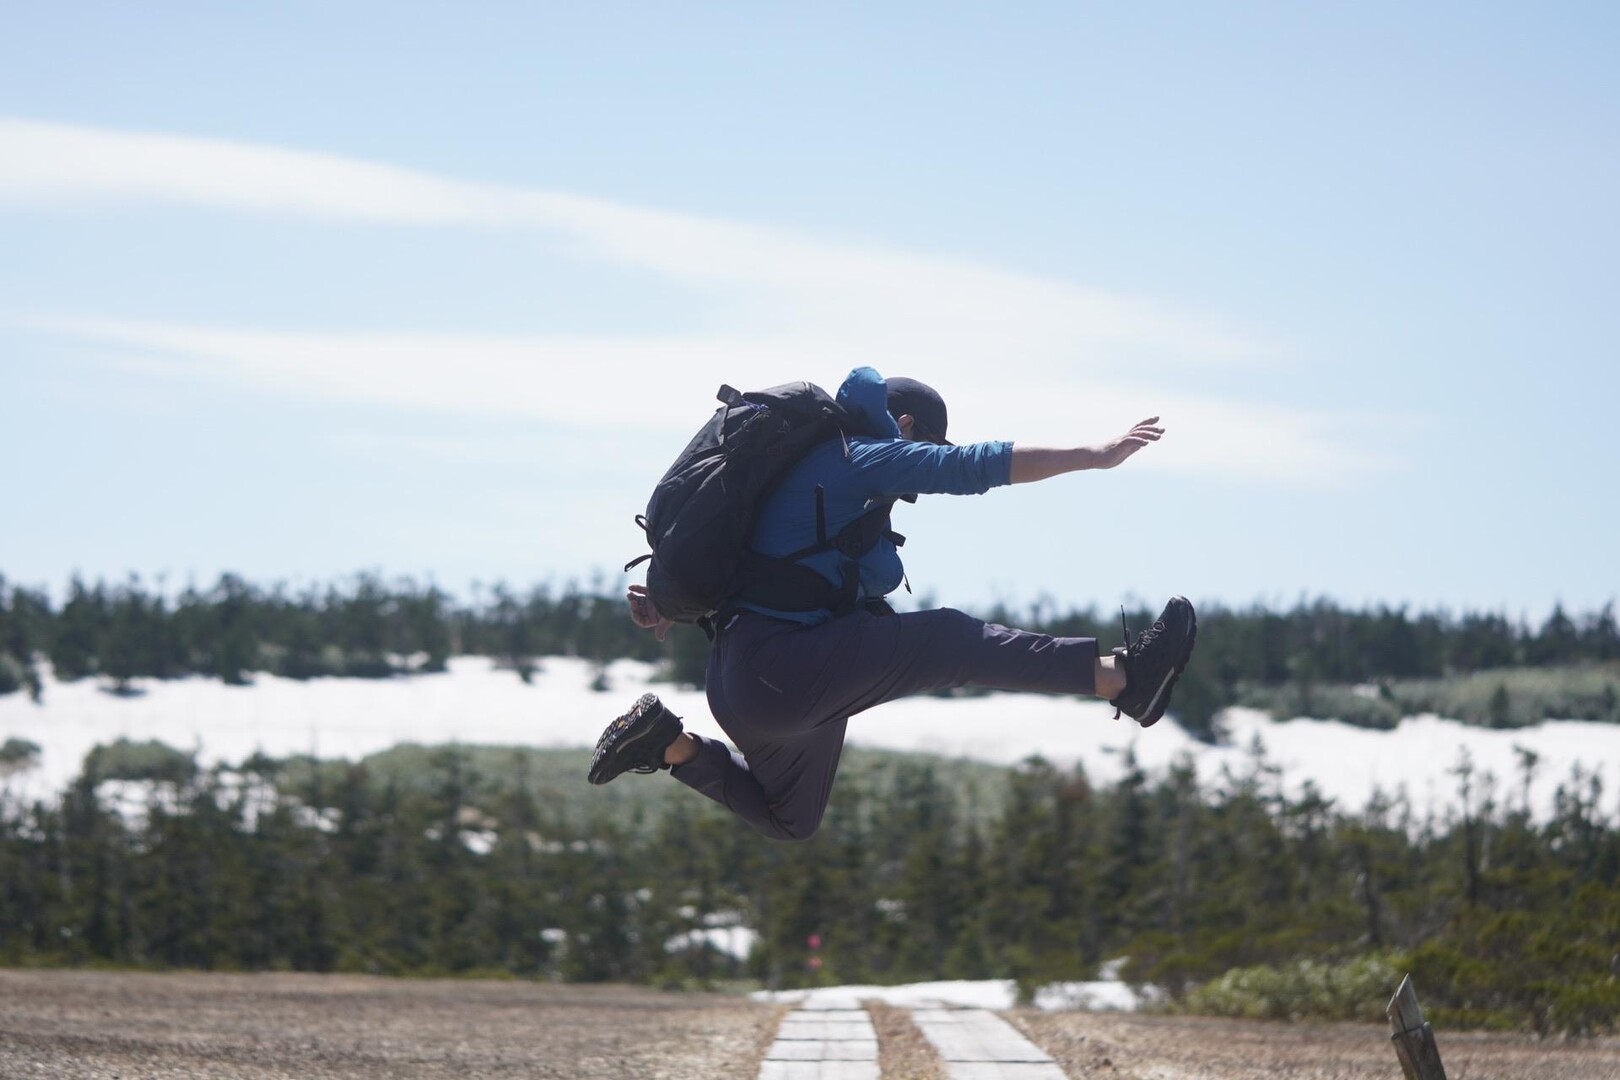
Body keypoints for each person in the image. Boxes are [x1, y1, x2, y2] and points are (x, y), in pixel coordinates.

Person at [588, 367, 1196, 841]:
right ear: (903, 425)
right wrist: (1094, 455)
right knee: (949, 642)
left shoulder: (805, 476)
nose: (918, 480)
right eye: (926, 446)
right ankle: (1124, 679)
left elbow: (761, 568)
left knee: (790, 819)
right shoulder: (863, 456)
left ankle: (667, 744)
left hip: (746, 686)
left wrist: (671, 605)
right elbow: (973, 466)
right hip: (781, 673)